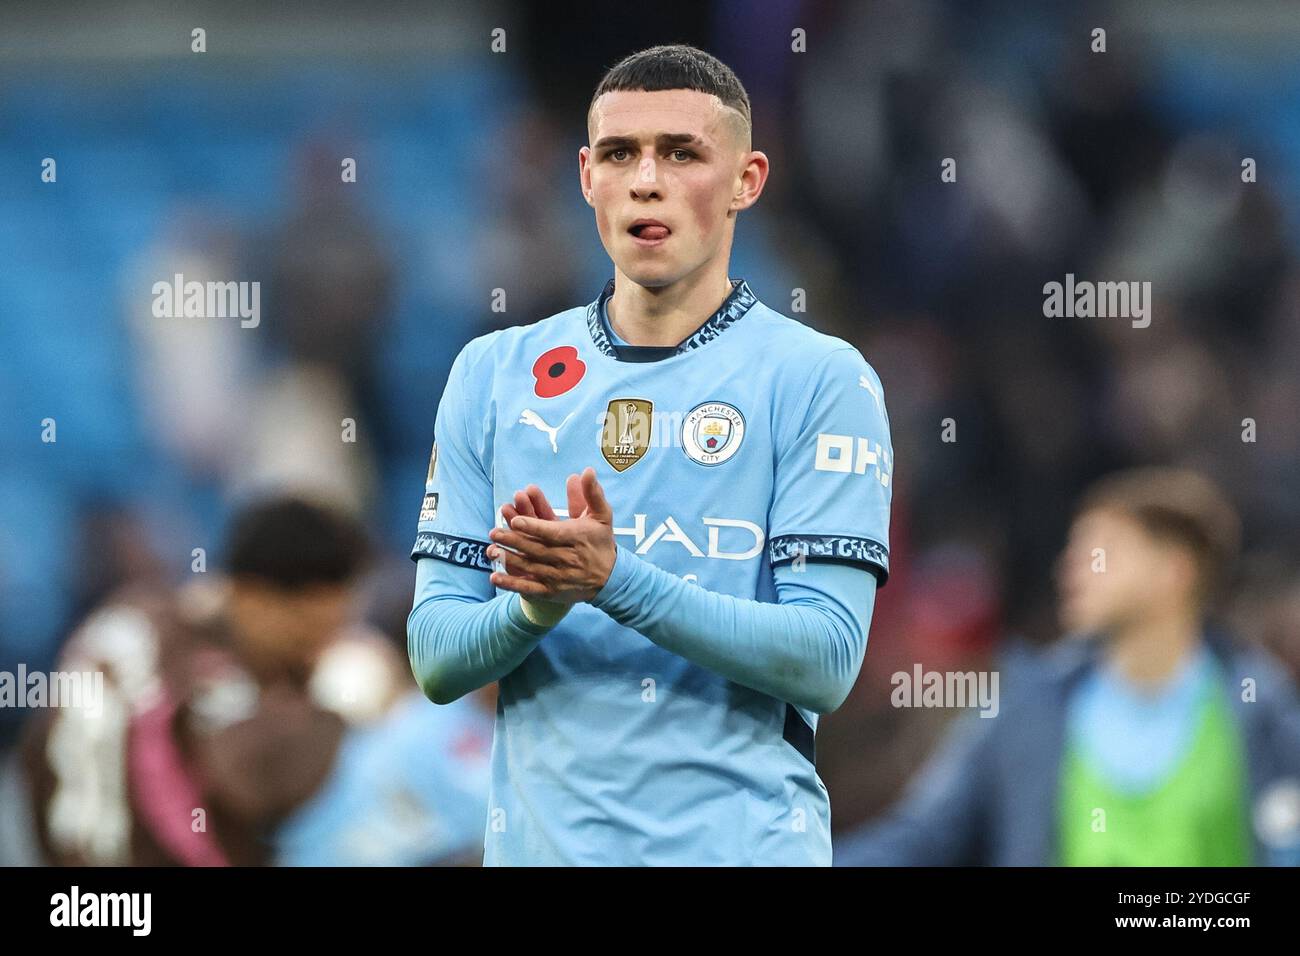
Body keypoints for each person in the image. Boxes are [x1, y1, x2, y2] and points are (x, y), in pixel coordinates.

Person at [407, 44, 893, 865]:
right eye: (620, 154)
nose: (646, 179)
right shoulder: (493, 374)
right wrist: (536, 608)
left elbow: (826, 660)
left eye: (681, 153)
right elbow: (436, 657)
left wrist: (612, 580)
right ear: (587, 177)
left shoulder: (819, 378)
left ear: (747, 180)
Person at [835, 468, 1300, 866]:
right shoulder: (1028, 705)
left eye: (1103, 551)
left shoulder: (1261, 710)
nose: (1071, 568)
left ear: (1173, 570)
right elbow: (923, 836)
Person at [21, 496, 397, 865]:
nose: (318, 651)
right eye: (308, 635)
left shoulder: (136, 615)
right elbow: (256, 779)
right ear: (253, 598)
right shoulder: (199, 670)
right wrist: (345, 705)